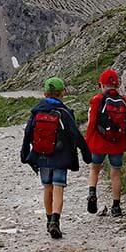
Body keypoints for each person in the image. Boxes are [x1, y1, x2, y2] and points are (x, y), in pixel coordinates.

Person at [21, 77, 92, 239]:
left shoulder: (36, 111)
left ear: (45, 93)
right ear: (63, 93)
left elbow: (27, 134)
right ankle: (55, 221)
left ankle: (48, 221)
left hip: (42, 156)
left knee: (47, 188)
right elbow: (76, 135)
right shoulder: (65, 113)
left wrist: (24, 154)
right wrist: (86, 155)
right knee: (58, 188)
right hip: (61, 157)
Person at [85, 68, 126, 217]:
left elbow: (92, 122)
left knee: (94, 169)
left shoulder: (97, 100)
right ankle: (116, 207)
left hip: (98, 143)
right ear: (117, 84)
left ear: (102, 84)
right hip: (117, 143)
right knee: (116, 173)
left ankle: (92, 193)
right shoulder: (125, 102)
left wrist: (87, 142)